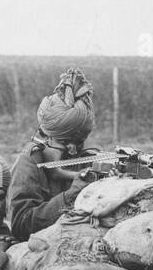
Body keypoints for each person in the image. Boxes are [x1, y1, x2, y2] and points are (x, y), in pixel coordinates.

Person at [7, 66, 101, 240]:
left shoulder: (89, 158)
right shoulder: (30, 162)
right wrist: (70, 195)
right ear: (45, 138)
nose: (73, 150)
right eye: (65, 143)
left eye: (78, 143)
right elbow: (20, 225)